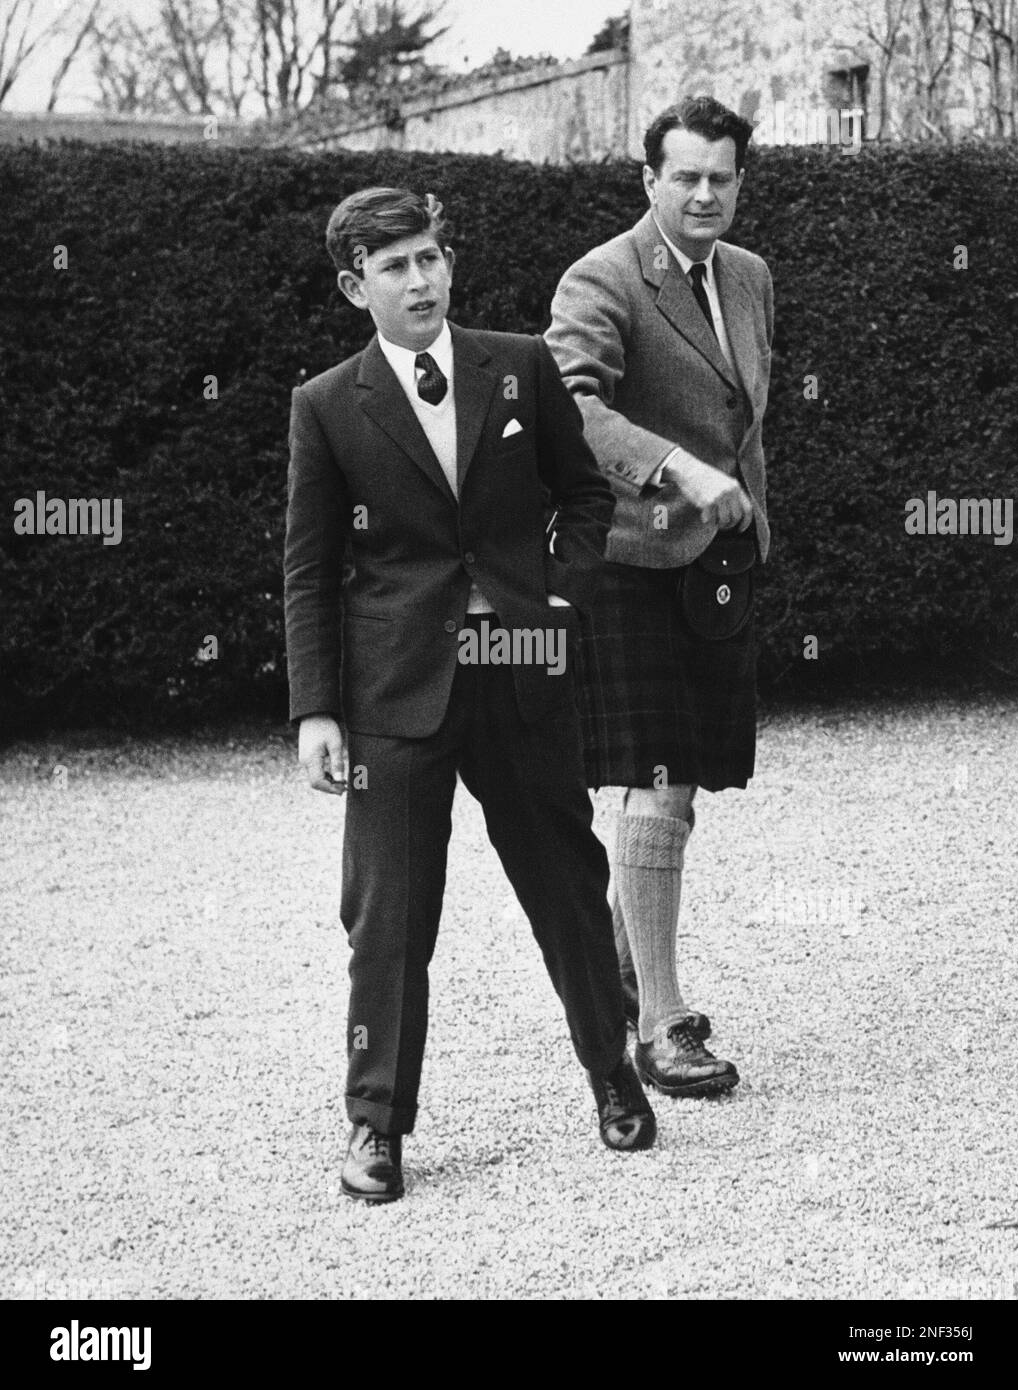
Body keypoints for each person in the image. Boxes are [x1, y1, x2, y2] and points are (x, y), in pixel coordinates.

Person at [283, 186, 656, 1204]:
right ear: (356, 285)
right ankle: (375, 1123)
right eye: (395, 265)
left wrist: (561, 604)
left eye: (430, 257)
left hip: (521, 668)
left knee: (567, 891)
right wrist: (318, 709)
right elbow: (310, 569)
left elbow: (585, 495)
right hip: (396, 693)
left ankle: (613, 1074)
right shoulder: (325, 406)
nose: (421, 279)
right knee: (389, 918)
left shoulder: (522, 366)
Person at [545, 96, 774, 1099]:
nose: (703, 193)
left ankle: (635, 970)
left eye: (720, 176)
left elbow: (743, 417)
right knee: (652, 783)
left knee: (681, 797)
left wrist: (752, 519)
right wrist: (676, 468)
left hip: (716, 566)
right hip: (624, 563)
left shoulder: (751, 278)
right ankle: (659, 1024)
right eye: (684, 175)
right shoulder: (603, 276)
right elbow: (569, 405)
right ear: (649, 181)